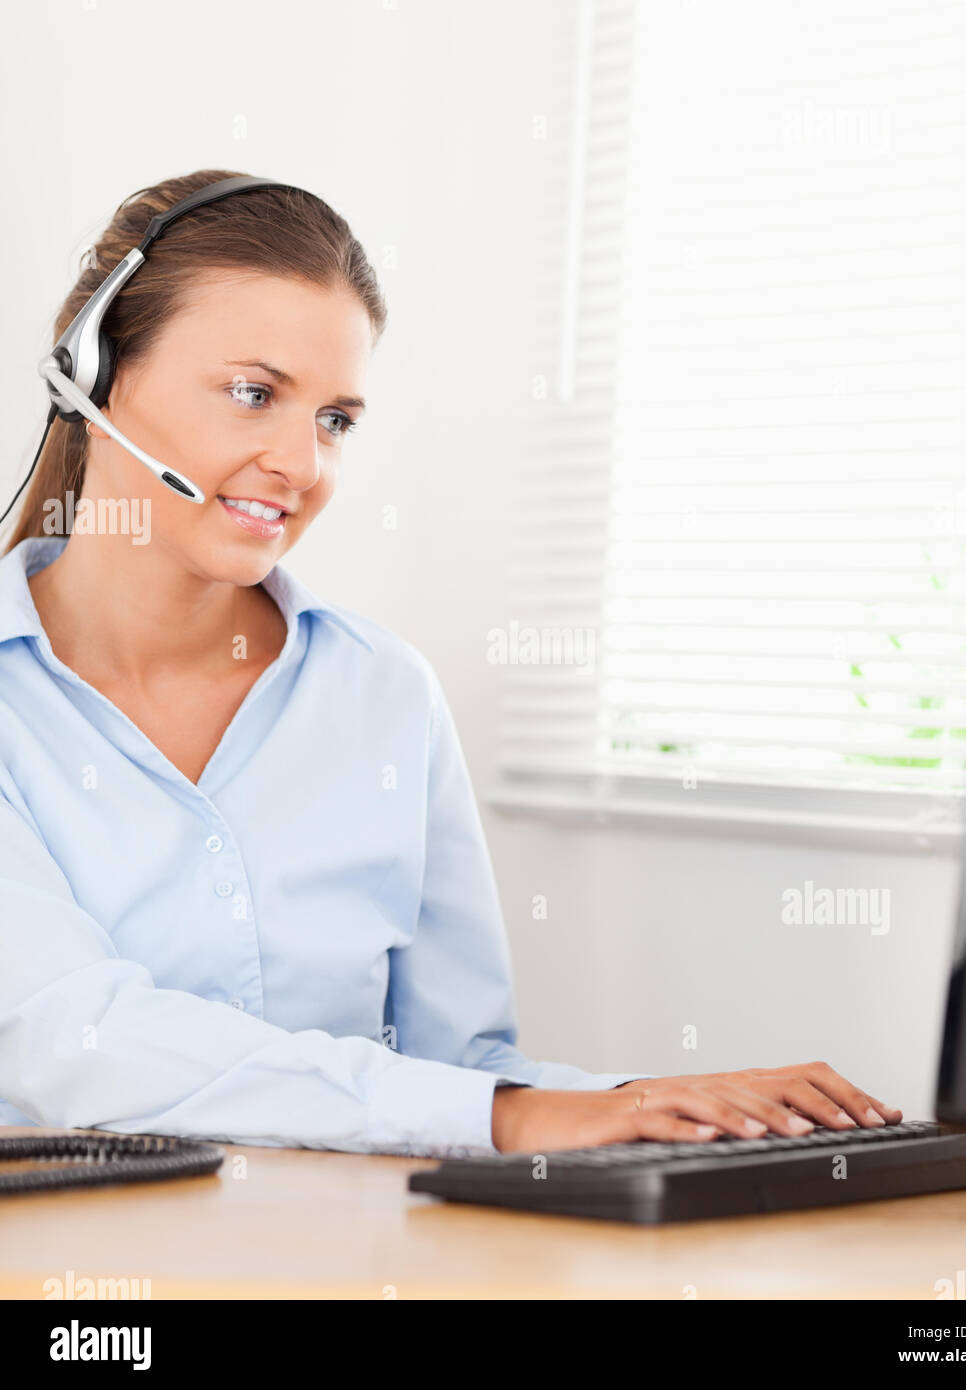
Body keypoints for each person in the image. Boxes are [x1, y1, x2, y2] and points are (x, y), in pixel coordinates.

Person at [0, 169, 902, 1157]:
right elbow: (71, 1040)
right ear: (95, 375)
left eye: (334, 419)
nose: (302, 466)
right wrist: (508, 1114)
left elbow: (454, 1069)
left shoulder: (384, 695)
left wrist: (667, 1105)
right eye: (254, 394)